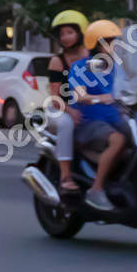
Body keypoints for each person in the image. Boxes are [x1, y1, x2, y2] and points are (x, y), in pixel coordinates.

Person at [65, 19, 129, 212]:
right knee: (118, 140)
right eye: (107, 41)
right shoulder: (80, 67)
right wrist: (102, 98)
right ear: (95, 43)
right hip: (89, 123)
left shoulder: (116, 68)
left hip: (115, 119)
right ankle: (96, 189)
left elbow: (129, 88)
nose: (112, 46)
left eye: (114, 41)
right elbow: (79, 95)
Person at [45, 10, 90, 194]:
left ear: (80, 33)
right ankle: (65, 176)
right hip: (59, 109)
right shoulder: (57, 61)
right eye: (62, 34)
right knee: (66, 124)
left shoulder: (91, 58)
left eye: (69, 32)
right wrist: (70, 111)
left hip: (86, 106)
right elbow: (55, 98)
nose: (65, 37)